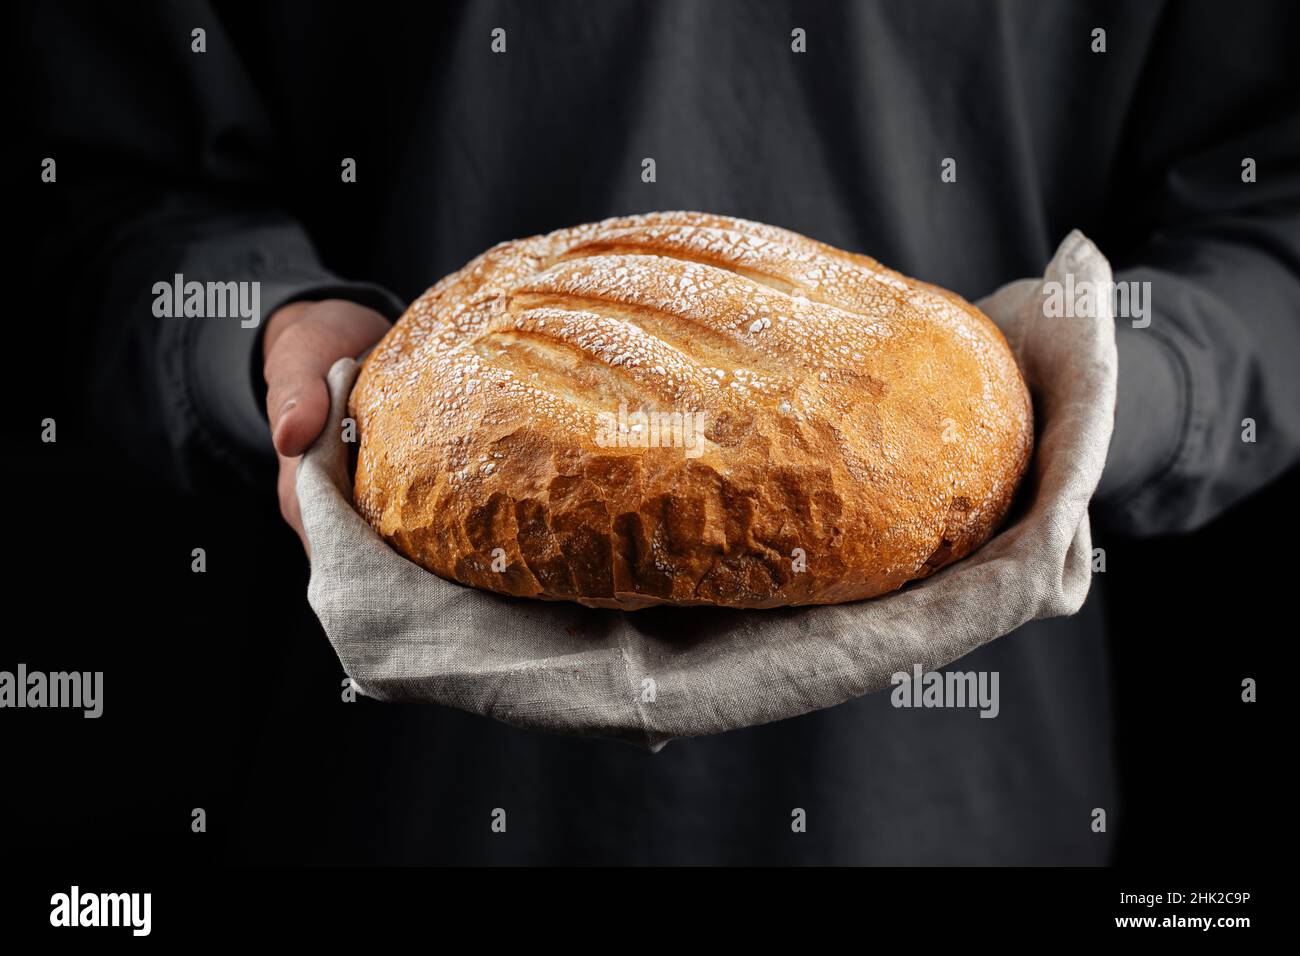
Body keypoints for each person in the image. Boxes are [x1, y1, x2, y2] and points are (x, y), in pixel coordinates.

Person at [21, 0, 1299, 863]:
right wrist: (261, 338)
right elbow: (107, 198)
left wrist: (1104, 397)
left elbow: (1274, 215)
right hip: (403, 790)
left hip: (952, 797)